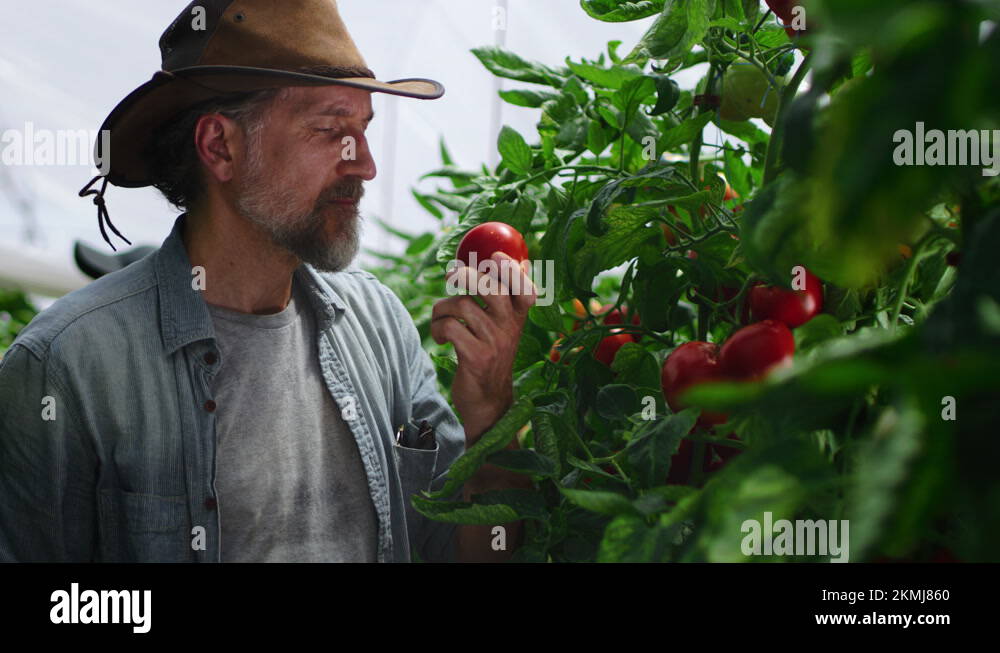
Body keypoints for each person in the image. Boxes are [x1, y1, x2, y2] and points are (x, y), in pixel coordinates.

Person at [0, 0, 534, 563]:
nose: (365, 164)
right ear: (219, 147)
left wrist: (489, 407)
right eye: (330, 129)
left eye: (364, 129)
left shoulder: (381, 329)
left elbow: (469, 551)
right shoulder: (68, 366)